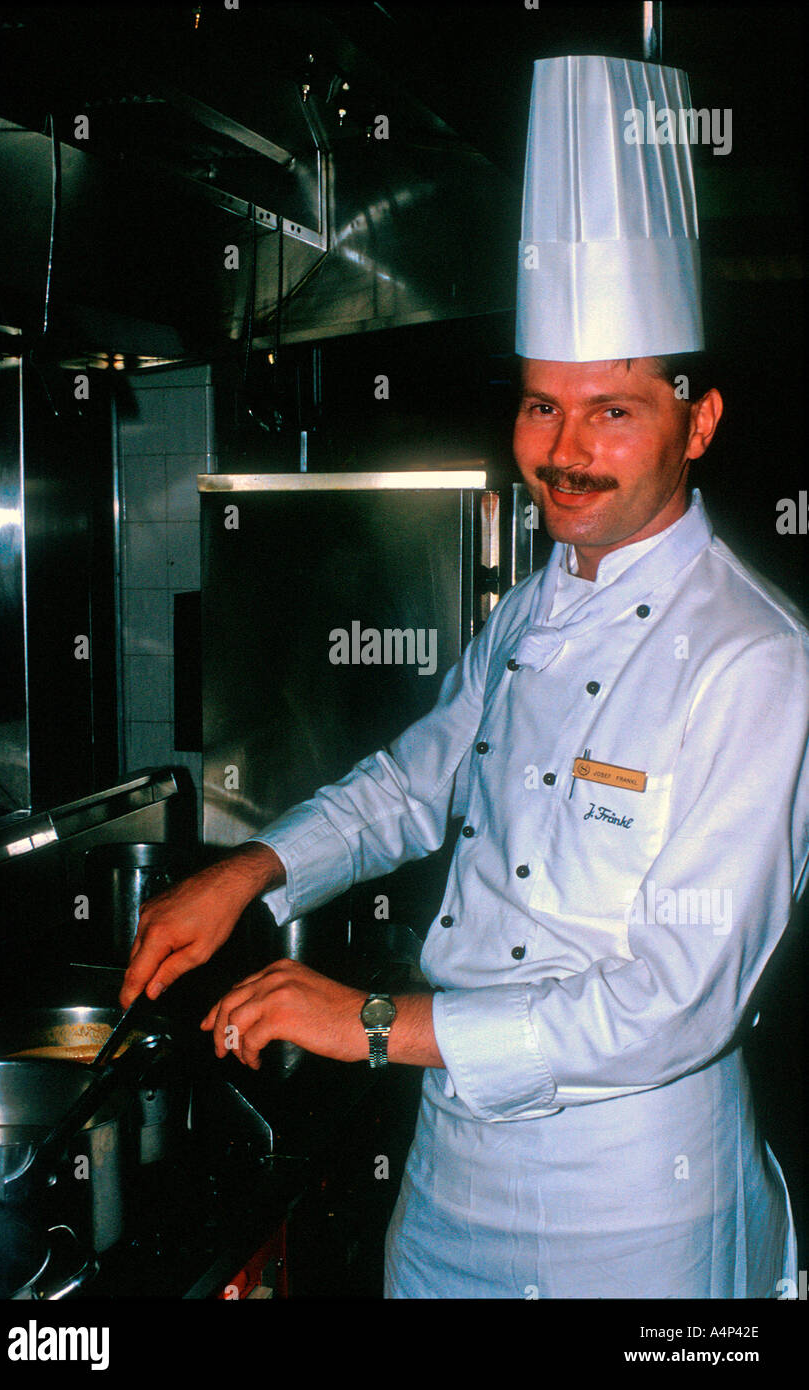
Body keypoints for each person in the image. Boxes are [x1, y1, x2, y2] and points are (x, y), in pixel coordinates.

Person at [120, 55, 809, 1297]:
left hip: (633, 1209)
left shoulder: (754, 660)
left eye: (611, 411)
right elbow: (408, 782)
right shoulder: (532, 603)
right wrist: (253, 869)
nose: (562, 452)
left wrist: (367, 1022)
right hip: (452, 1179)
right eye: (541, 408)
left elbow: (673, 1002)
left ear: (695, 422)